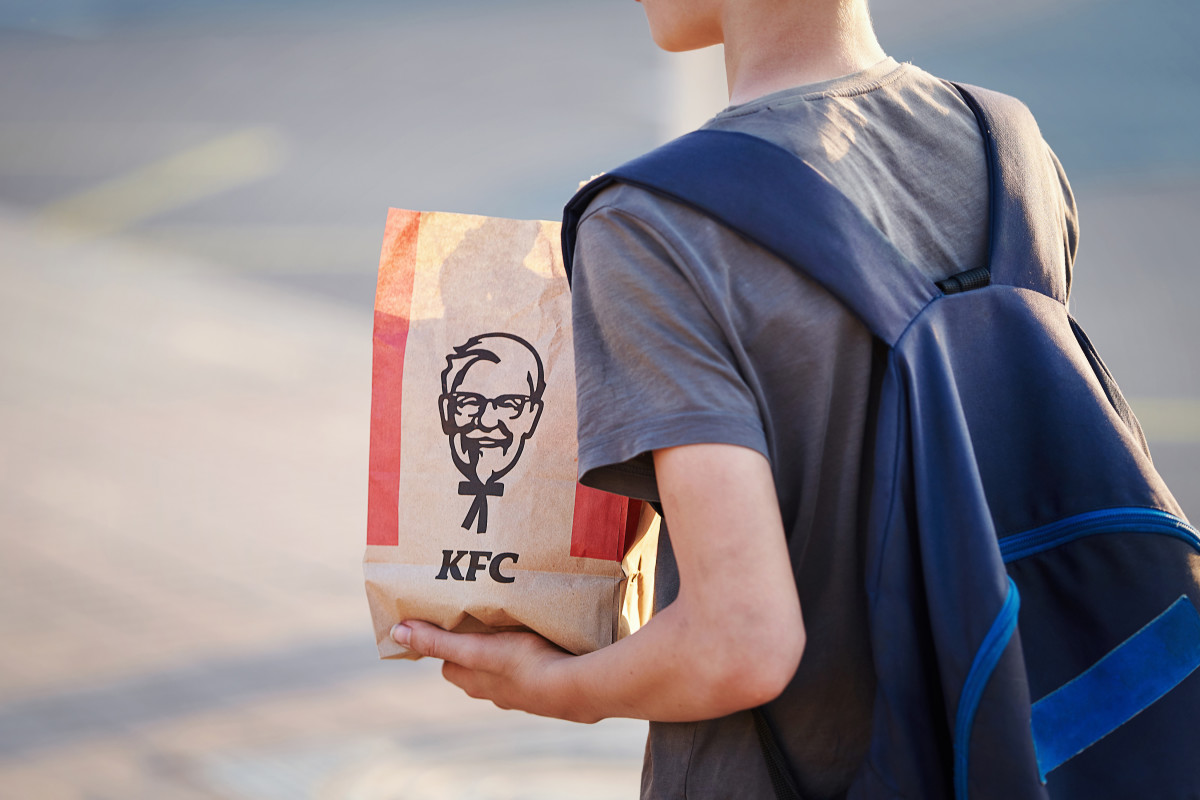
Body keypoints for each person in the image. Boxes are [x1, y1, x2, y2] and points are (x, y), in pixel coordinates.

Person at [391, 0, 1078, 797]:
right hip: (1012, 748)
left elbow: (739, 641)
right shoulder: (1007, 144)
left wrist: (551, 686)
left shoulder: (657, 223)